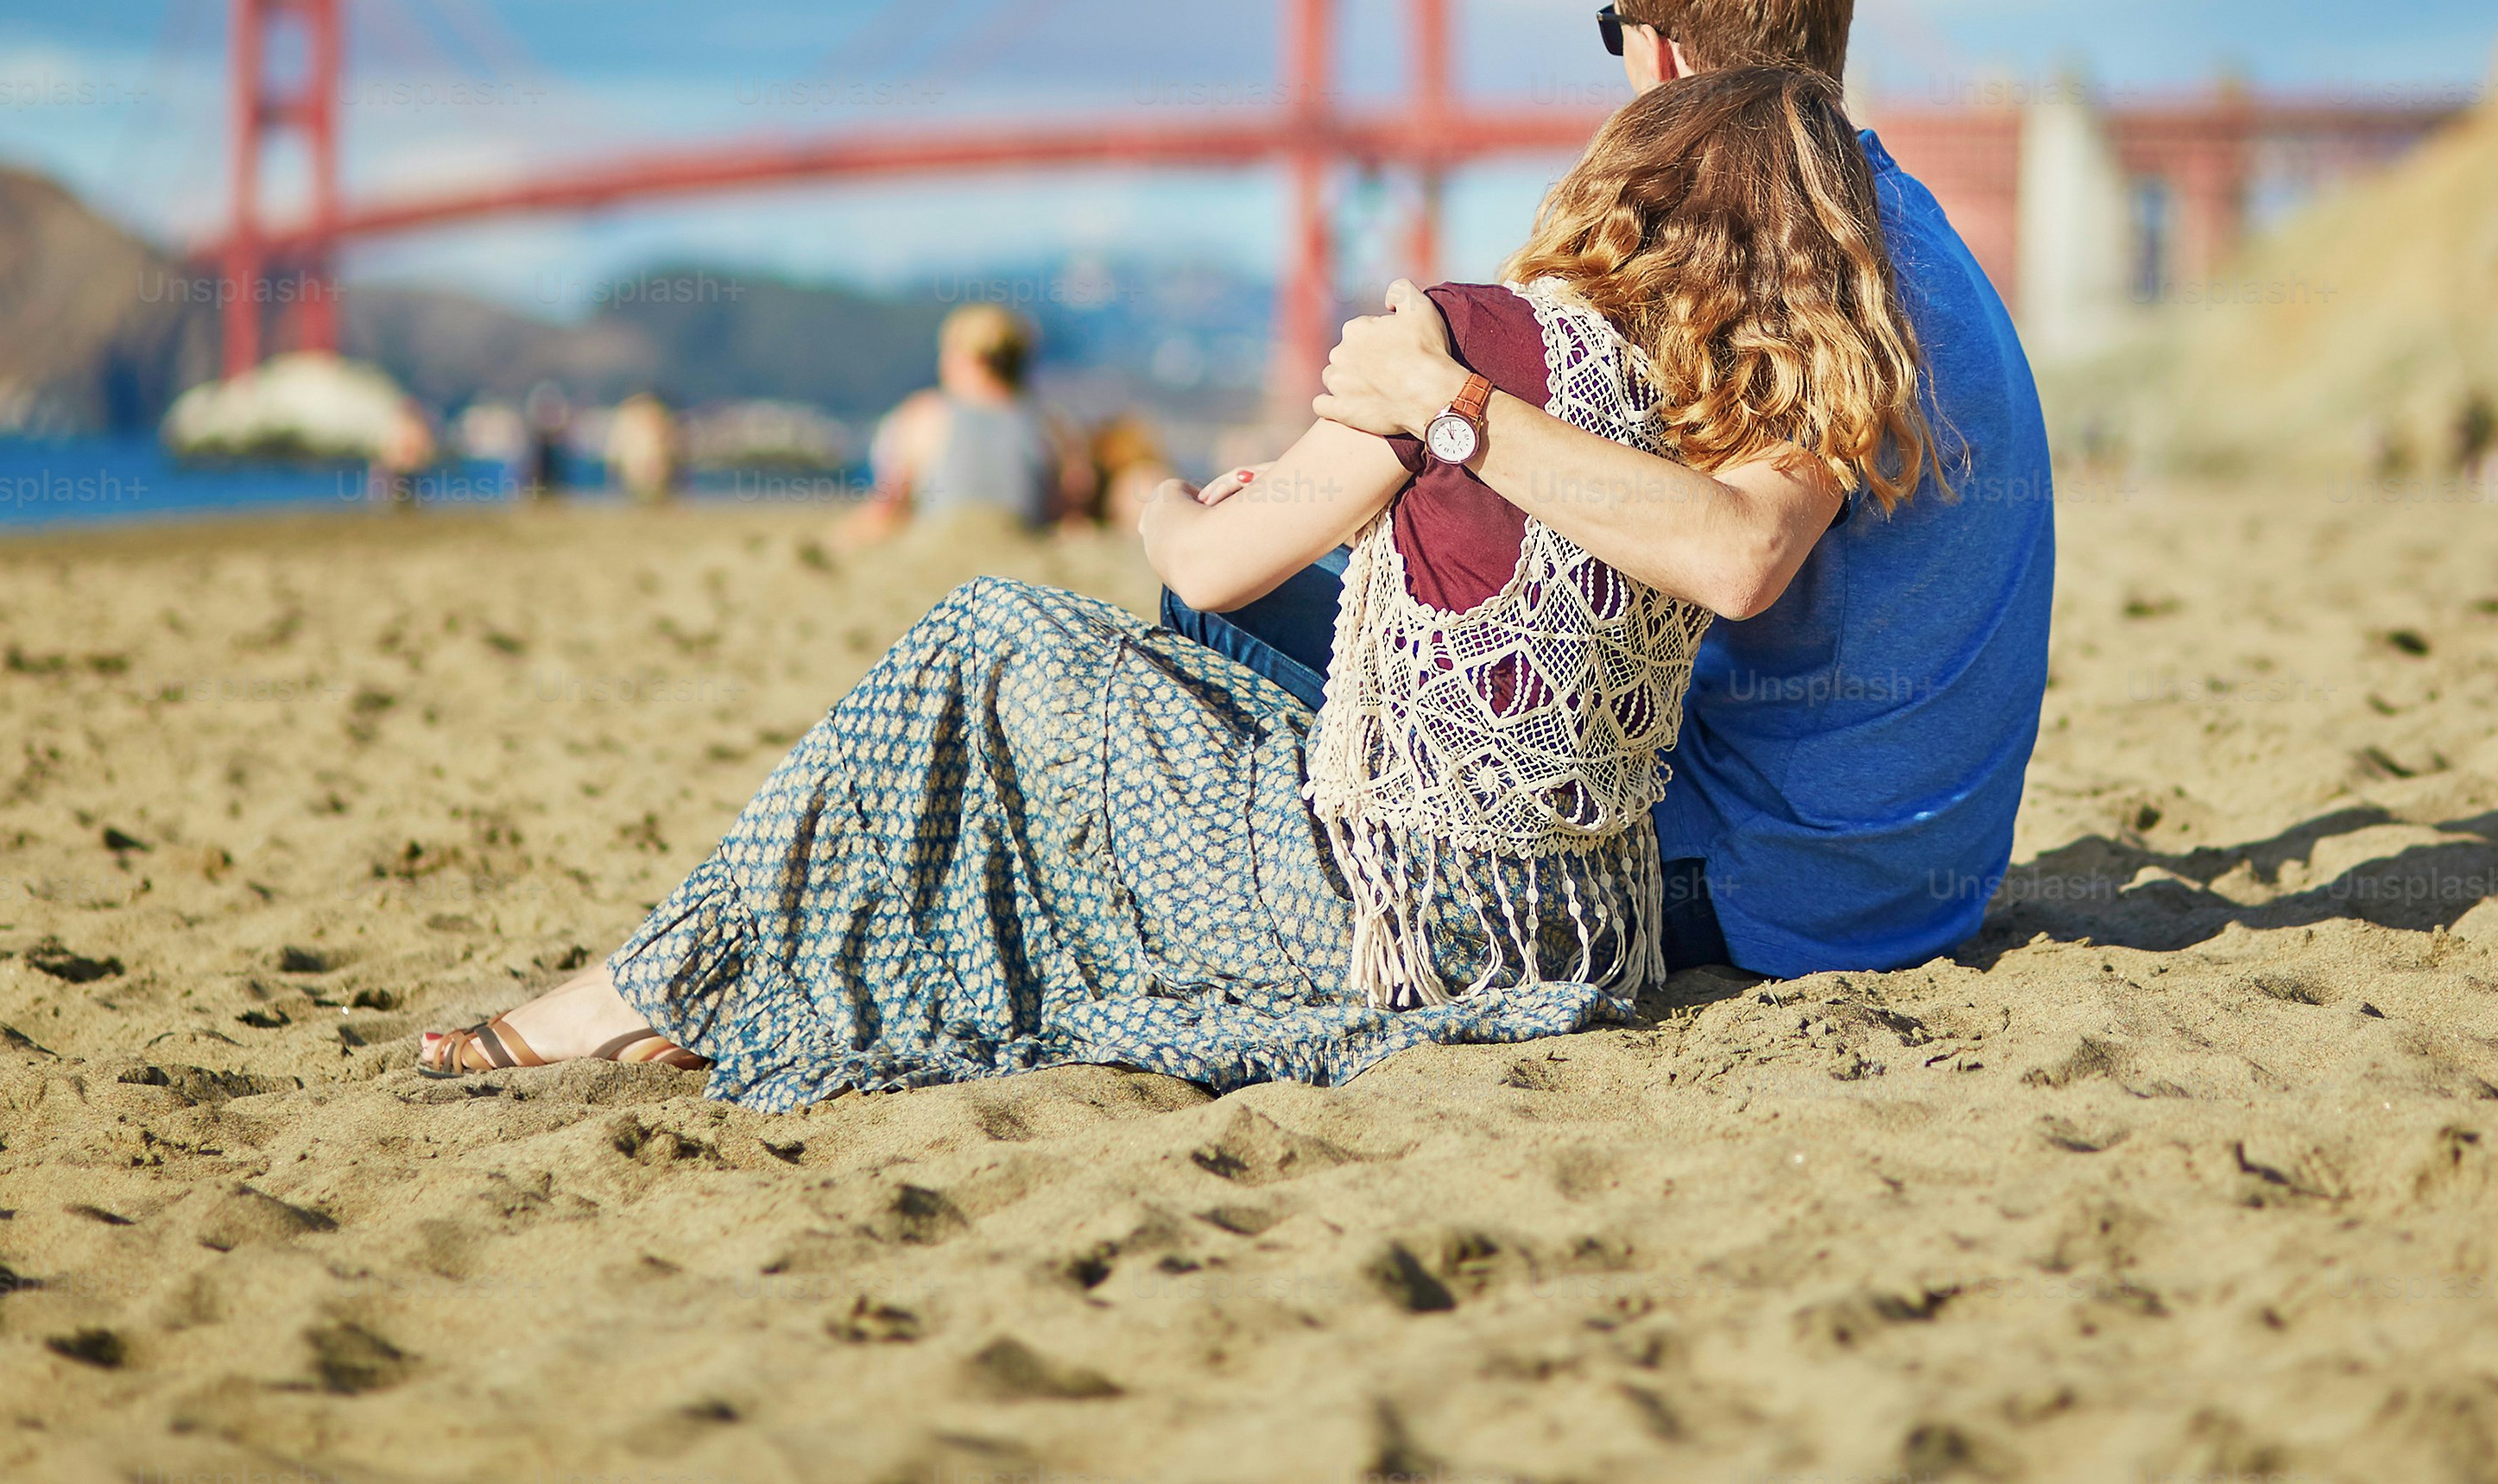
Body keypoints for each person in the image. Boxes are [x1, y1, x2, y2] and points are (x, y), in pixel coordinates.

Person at [417, 62, 1938, 1096]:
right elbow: (1645, 560)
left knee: (992, 634)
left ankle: (633, 990)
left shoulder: (1463, 340)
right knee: (1164, 692)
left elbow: (1210, 565)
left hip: (1397, 922)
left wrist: (1150, 490)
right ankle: (743, 982)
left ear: (1625, 183)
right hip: (1581, 942)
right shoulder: (1763, 409)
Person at [1294, 0, 2056, 978]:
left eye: (1618, 32)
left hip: (1778, 880)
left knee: (1215, 605)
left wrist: (1445, 404)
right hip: (1908, 876)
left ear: (1668, 57)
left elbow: (1742, 552)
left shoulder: (1823, 267)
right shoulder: (1894, 223)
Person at [838, 302, 1083, 543]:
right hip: (1021, 548)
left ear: (963, 357)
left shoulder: (927, 414)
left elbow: (888, 506)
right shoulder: (1052, 424)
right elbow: (1067, 513)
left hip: (947, 544)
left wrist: (839, 542)